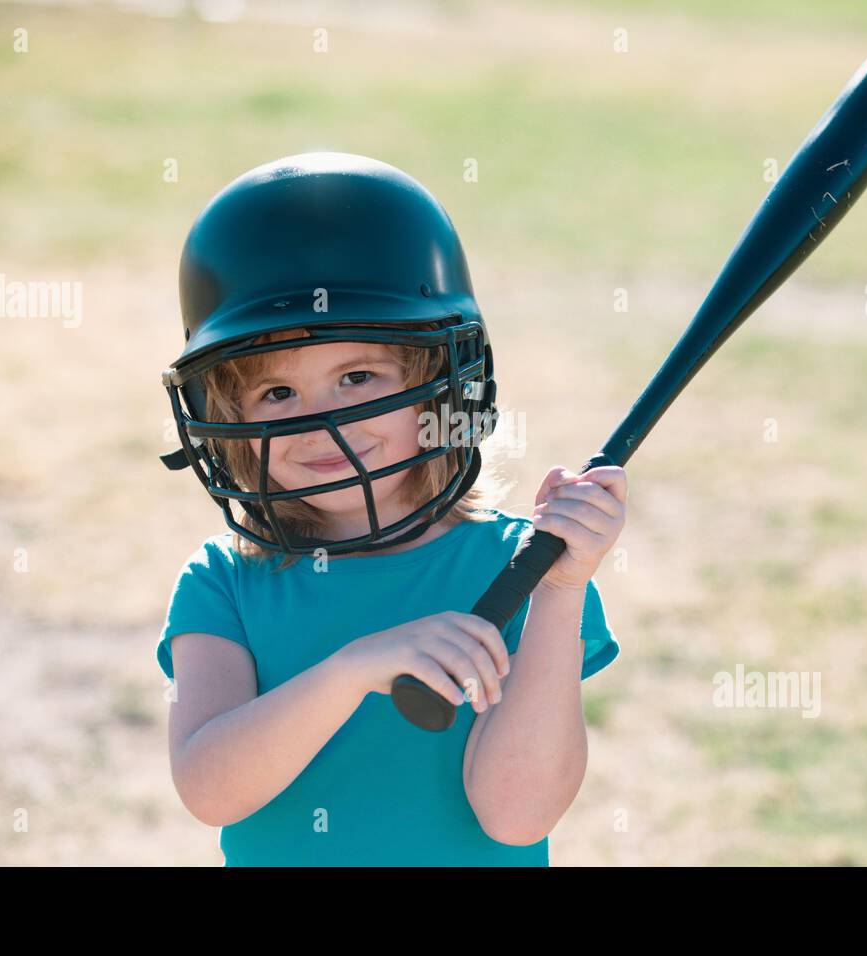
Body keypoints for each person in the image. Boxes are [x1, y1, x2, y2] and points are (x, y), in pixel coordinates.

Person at [155, 152, 627, 865]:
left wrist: (561, 586)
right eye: (276, 393)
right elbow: (210, 790)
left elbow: (517, 816)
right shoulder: (225, 581)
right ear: (228, 419)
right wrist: (352, 669)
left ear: (442, 389)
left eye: (357, 377)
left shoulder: (518, 567)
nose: (320, 421)